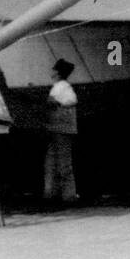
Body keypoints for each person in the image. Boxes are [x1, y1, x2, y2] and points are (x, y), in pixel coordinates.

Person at [44, 59, 79, 204]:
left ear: (57, 72)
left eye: (53, 69)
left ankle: (66, 195)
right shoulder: (59, 86)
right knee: (54, 162)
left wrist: (58, 103)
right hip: (57, 128)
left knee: (60, 162)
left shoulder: (63, 87)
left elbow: (72, 100)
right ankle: (56, 193)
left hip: (61, 129)